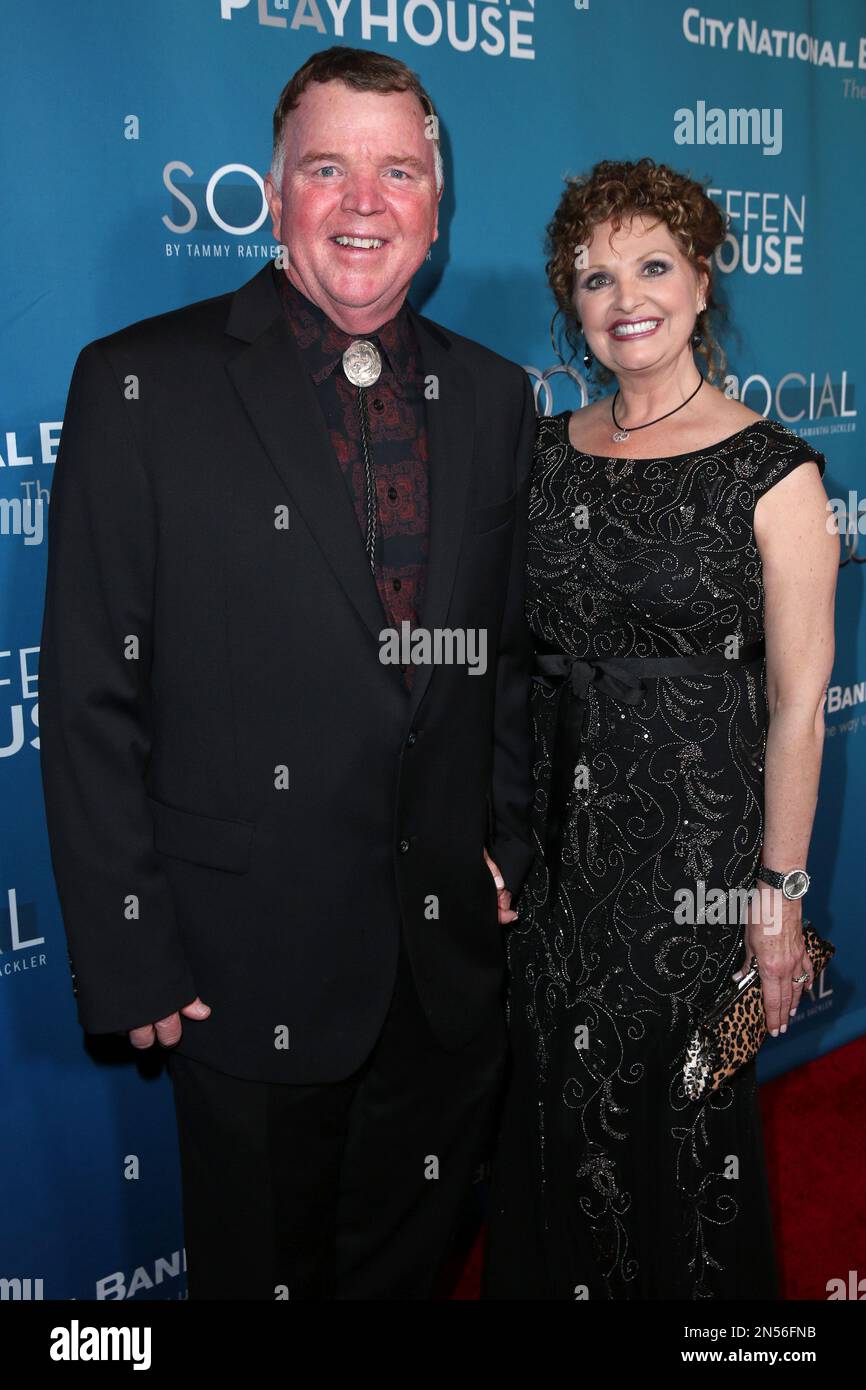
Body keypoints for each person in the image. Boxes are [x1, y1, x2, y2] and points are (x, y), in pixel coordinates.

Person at [39, 46, 536, 1300]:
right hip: (236, 966)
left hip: (442, 980)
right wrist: (133, 947)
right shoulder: (139, 383)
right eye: (328, 168)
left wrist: (506, 844)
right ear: (273, 195)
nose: (363, 201)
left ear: (436, 202)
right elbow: (90, 693)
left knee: (410, 1271)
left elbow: (511, 659)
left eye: (397, 171)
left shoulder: (493, 395)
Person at [483, 157, 838, 1300]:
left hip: (700, 869)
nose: (623, 295)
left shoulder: (771, 473)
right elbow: (498, 664)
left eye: (650, 265)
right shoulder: (536, 455)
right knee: (552, 1120)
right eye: (593, 276)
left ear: (697, 281)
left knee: (687, 1132)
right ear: (570, 304)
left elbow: (796, 704)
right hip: (555, 862)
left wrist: (775, 898)